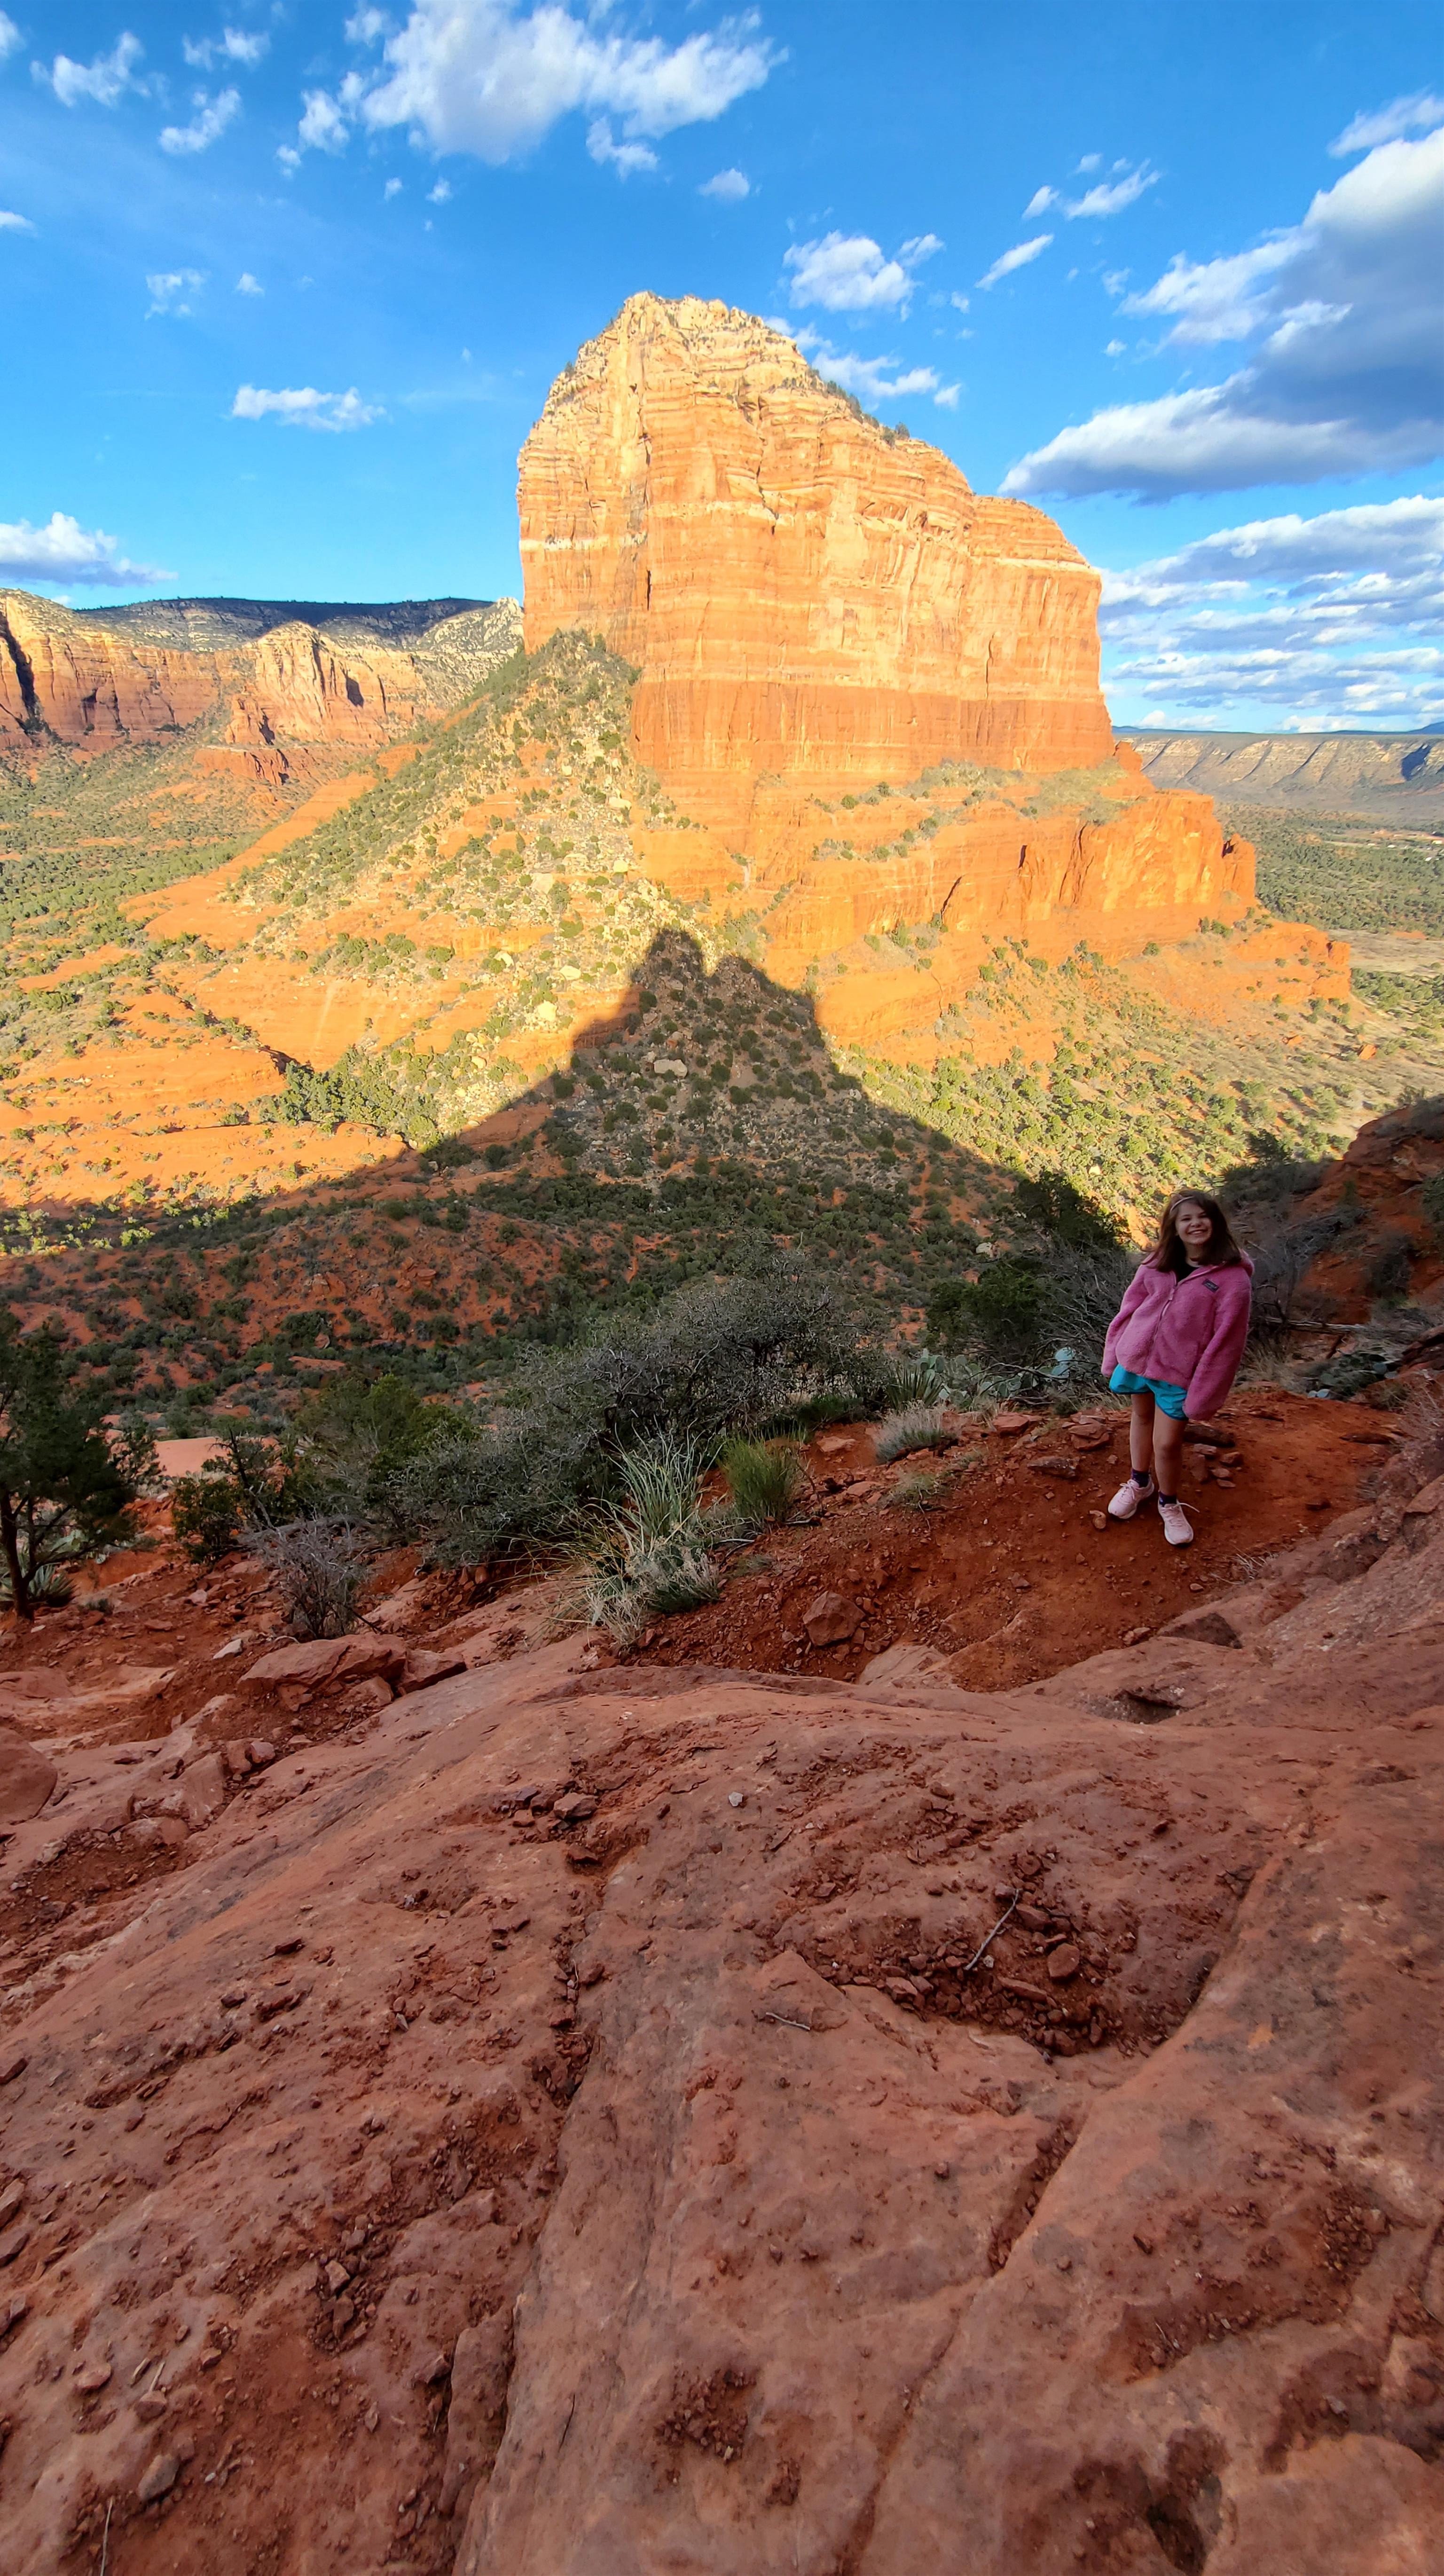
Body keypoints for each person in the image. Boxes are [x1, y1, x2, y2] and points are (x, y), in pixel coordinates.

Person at [1100, 1191, 1253, 1548]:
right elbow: (1130, 1308)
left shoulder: (1233, 1280)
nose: (1195, 1224)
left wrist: (1204, 1394)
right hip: (1138, 1359)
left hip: (1181, 1372)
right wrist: (1115, 1352)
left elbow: (1227, 1343)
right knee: (1141, 1419)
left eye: (1202, 1216)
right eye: (1185, 1219)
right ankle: (1140, 1483)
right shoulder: (1157, 1263)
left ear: (1215, 1222)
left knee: (1167, 1444)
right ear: (1174, 1227)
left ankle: (1169, 1502)